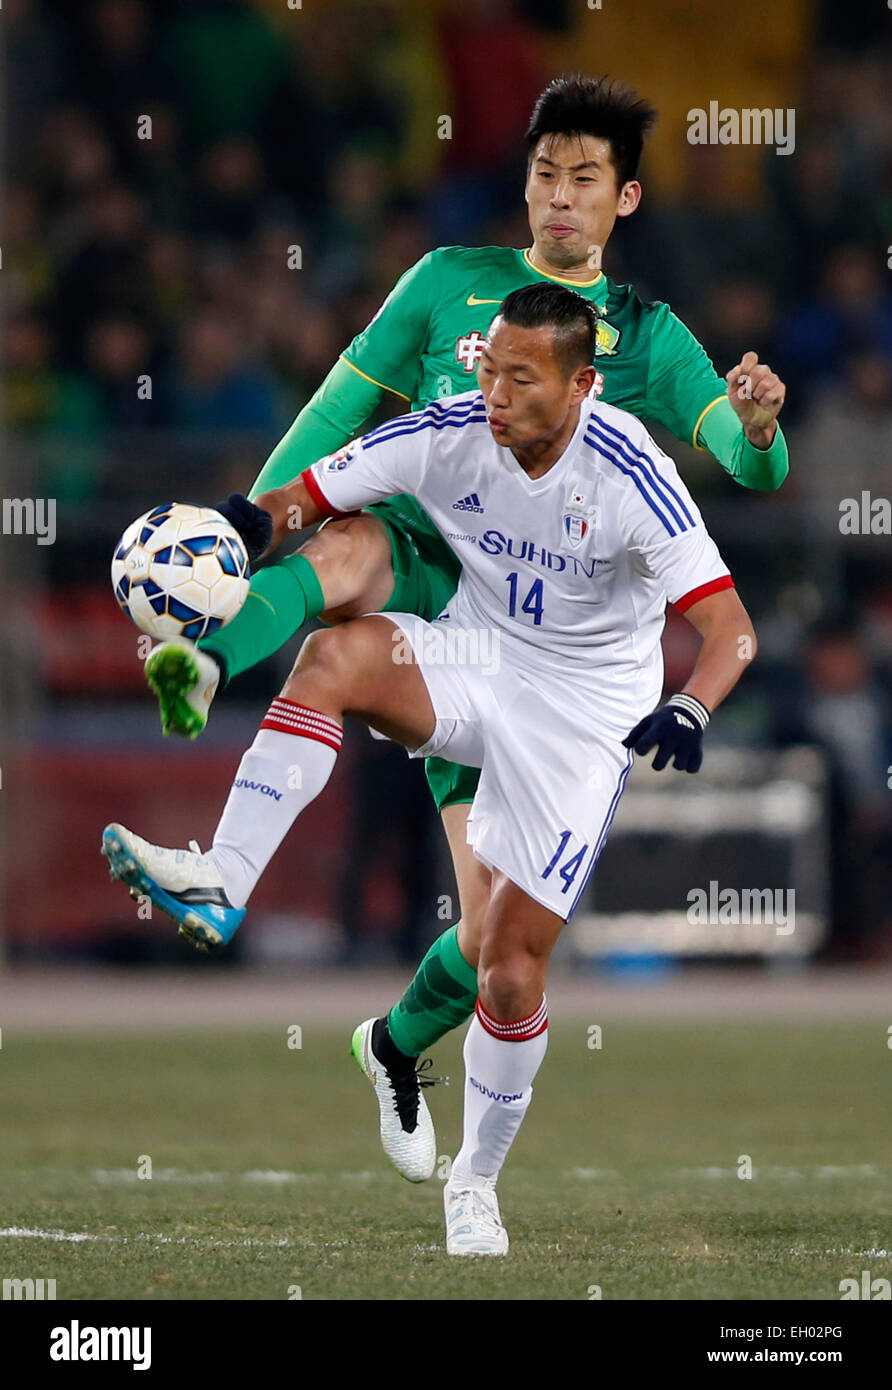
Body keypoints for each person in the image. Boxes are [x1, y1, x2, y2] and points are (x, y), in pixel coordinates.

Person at [139, 78, 787, 1171]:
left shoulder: (647, 334)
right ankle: (204, 661)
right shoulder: (446, 283)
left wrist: (762, 429)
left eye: (585, 180)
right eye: (544, 173)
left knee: (493, 944)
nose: (559, 199)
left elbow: (744, 460)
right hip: (430, 564)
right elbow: (342, 412)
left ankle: (393, 1045)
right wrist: (237, 541)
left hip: (541, 644)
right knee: (340, 556)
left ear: (624, 199)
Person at [103, 284, 758, 1254]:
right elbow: (308, 497)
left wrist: (691, 704)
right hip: (479, 659)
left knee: (505, 971)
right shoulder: (452, 426)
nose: (493, 391)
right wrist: (242, 529)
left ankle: (473, 1178)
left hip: (585, 718)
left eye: (520, 377)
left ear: (580, 385)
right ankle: (222, 880)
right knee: (334, 657)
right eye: (488, 367)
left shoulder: (628, 468)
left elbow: (729, 631)